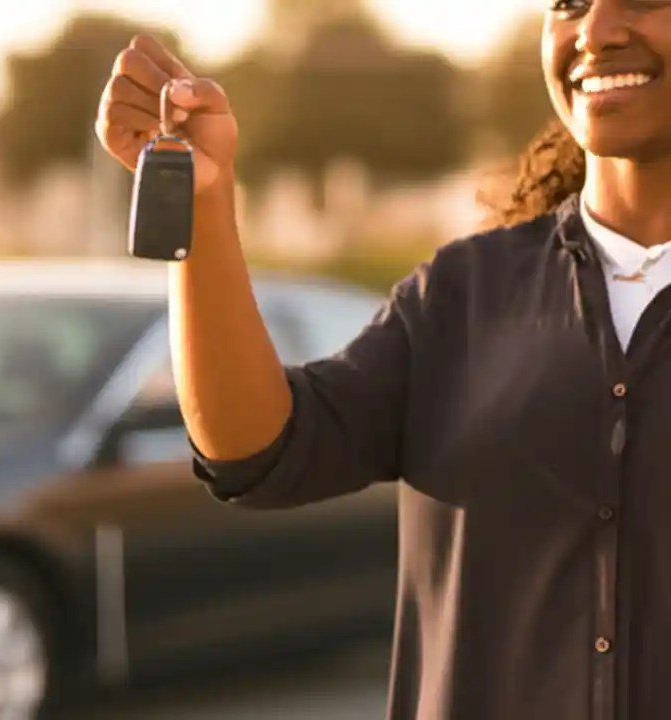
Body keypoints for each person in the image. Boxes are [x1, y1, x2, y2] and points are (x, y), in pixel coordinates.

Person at [95, 2, 671, 718]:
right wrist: (205, 204)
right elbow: (258, 449)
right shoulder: (462, 299)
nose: (595, 31)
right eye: (569, 5)